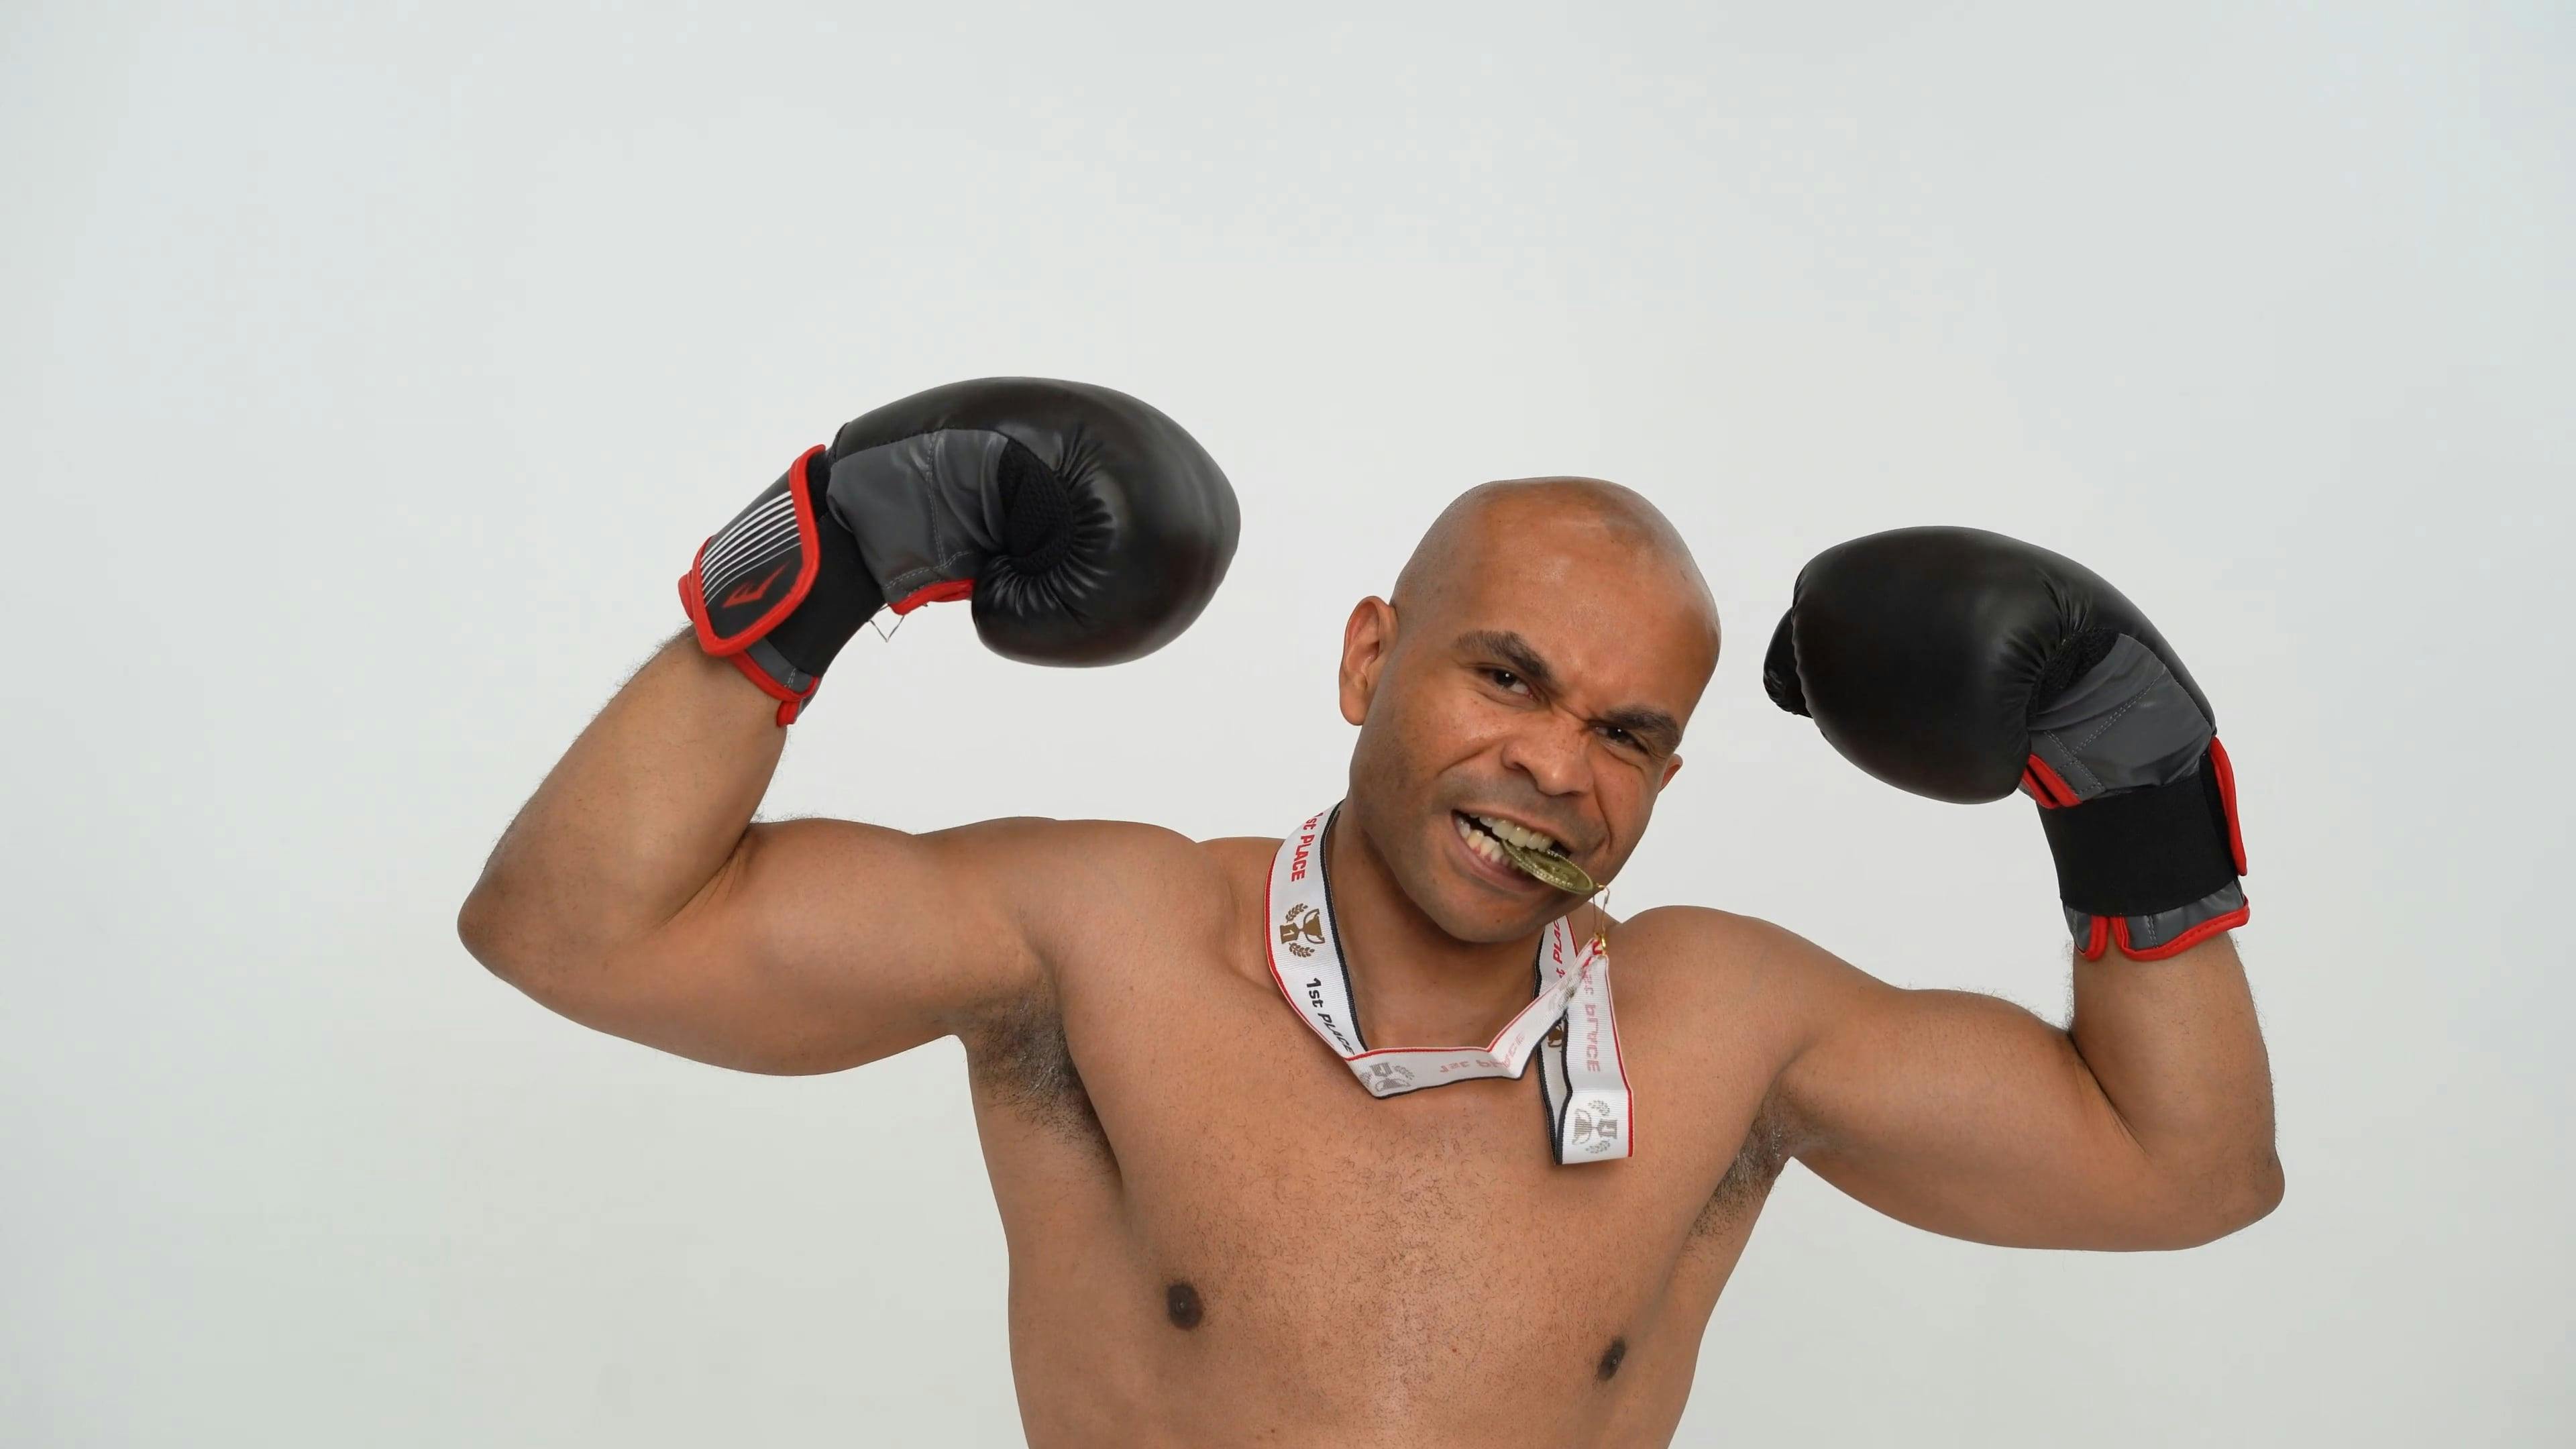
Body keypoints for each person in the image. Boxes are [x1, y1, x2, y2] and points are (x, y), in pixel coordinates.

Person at [458, 378, 2281, 1447]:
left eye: (1628, 736)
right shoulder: (1092, 936)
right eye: (1508, 678)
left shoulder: (1730, 1029)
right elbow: (576, 929)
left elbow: (2184, 1171)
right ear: (1371, 661)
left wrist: (2132, 797)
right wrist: (833, 551)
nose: (1561, 767)